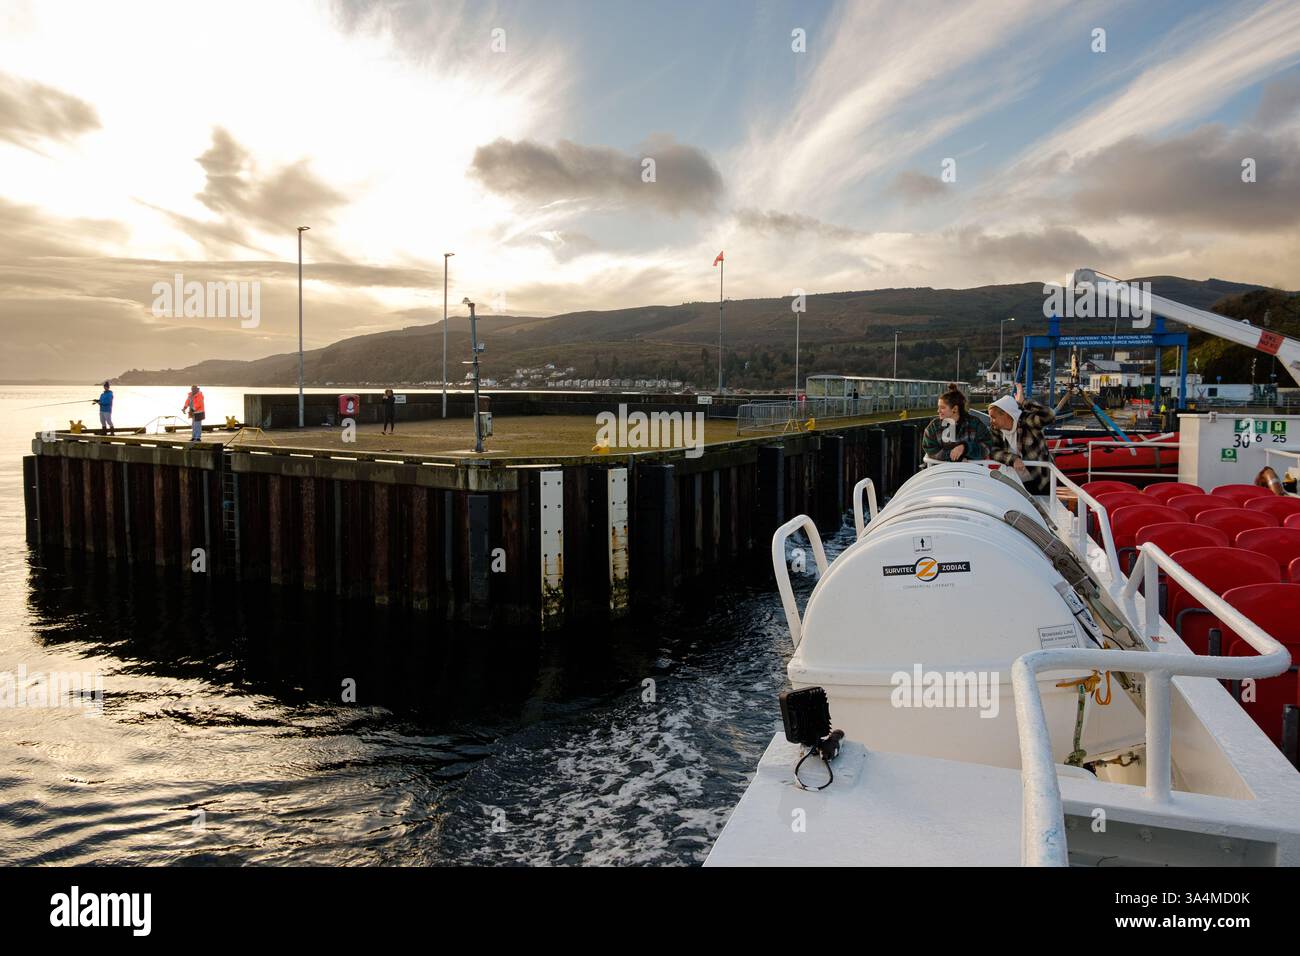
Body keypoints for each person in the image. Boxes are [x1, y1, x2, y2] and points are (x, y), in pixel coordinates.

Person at [987, 383, 1055, 494]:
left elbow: (1050, 416)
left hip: (1039, 479)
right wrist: (1013, 459)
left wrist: (1024, 402)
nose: (991, 421)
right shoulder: (996, 429)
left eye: (993, 417)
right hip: (1015, 480)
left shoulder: (1027, 421)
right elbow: (994, 451)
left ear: (1006, 414)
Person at [921, 384, 991, 463]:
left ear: (955, 409)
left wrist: (965, 448)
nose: (938, 411)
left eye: (942, 407)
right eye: (938, 407)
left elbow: (987, 447)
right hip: (942, 471)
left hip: (971, 472)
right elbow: (930, 448)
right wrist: (952, 455)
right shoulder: (934, 426)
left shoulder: (975, 424)